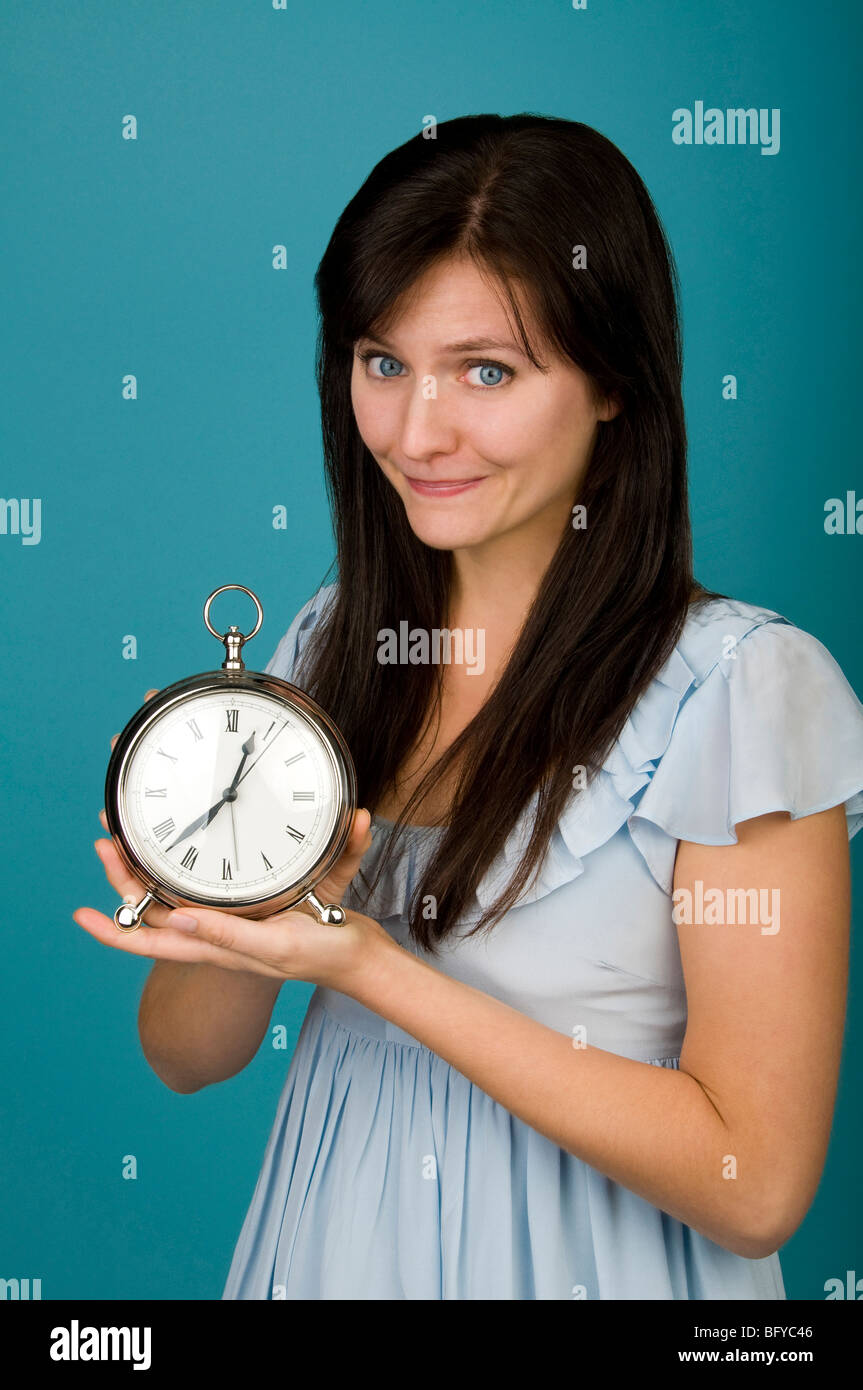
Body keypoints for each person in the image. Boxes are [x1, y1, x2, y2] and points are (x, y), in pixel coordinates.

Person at [76, 114, 863, 1300]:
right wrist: (211, 912)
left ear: (611, 383)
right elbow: (187, 1055)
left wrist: (367, 965)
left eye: (485, 371)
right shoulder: (325, 644)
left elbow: (752, 1185)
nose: (414, 431)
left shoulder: (743, 691)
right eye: (381, 363)